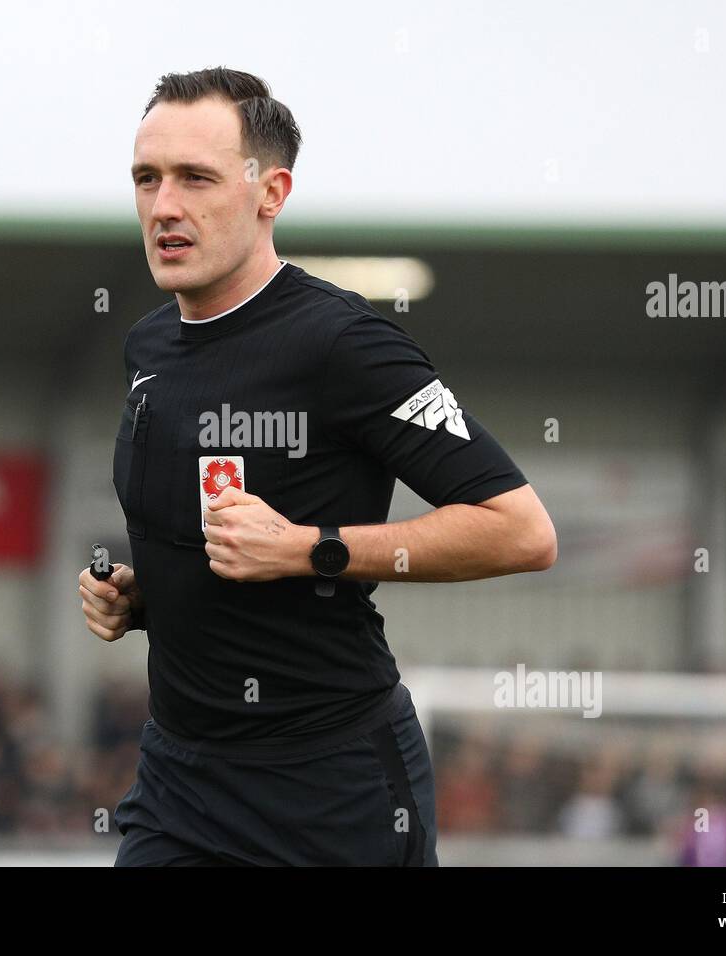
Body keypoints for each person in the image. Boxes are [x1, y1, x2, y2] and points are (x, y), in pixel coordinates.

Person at [78, 67, 556, 866]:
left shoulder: (342, 344)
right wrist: (147, 598)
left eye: (196, 178)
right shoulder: (149, 346)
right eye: (147, 179)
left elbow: (521, 531)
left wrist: (312, 547)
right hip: (180, 783)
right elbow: (221, 550)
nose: (165, 207)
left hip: (333, 789)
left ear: (271, 193)